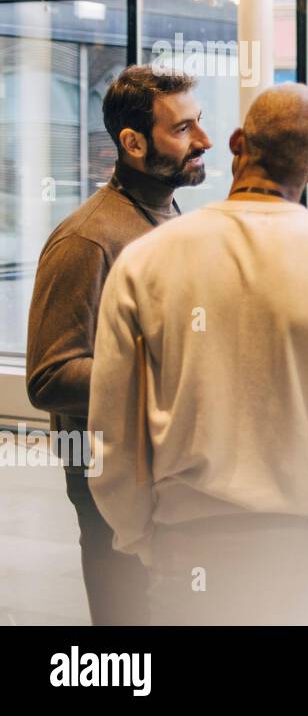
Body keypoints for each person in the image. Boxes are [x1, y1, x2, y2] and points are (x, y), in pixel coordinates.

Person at [87, 84, 308, 625]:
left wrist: (138, 531)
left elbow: (112, 424)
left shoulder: (148, 258)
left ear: (238, 143)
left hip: (187, 539)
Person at [26, 65, 211, 625]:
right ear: (132, 143)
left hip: (165, 470)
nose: (203, 140)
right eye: (183, 130)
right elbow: (49, 377)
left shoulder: (169, 212)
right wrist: (167, 372)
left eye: (198, 123)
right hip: (111, 477)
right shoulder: (87, 239)